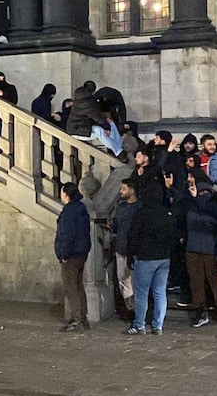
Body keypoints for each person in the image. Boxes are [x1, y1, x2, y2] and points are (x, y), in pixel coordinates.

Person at [177, 176, 217, 328]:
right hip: (193, 250)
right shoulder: (189, 207)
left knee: (216, 283)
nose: (202, 195)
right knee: (196, 283)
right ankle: (200, 312)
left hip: (211, 251)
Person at [126, 179, 173, 335]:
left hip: (146, 257)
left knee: (142, 292)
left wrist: (130, 254)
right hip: (163, 257)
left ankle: (139, 324)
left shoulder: (142, 213)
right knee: (160, 291)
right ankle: (158, 325)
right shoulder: (166, 213)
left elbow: (133, 235)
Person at [55, 181, 91, 332]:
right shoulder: (81, 208)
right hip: (81, 252)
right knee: (78, 285)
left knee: (71, 287)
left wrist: (63, 253)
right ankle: (82, 317)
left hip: (71, 254)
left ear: (66, 194)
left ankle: (76, 318)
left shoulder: (70, 211)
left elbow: (68, 234)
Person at [66, 84, 123, 159]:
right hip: (76, 129)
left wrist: (106, 122)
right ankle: (119, 152)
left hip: (83, 126)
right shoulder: (85, 102)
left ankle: (119, 147)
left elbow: (96, 115)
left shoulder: (81, 99)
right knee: (99, 131)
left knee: (110, 123)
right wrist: (106, 127)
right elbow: (96, 116)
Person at [110, 178, 140, 314]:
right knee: (122, 278)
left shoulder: (140, 208)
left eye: (124, 188)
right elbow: (116, 225)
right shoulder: (121, 207)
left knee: (135, 280)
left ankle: (137, 309)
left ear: (132, 191)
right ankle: (130, 307)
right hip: (121, 248)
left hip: (135, 250)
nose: (121, 191)